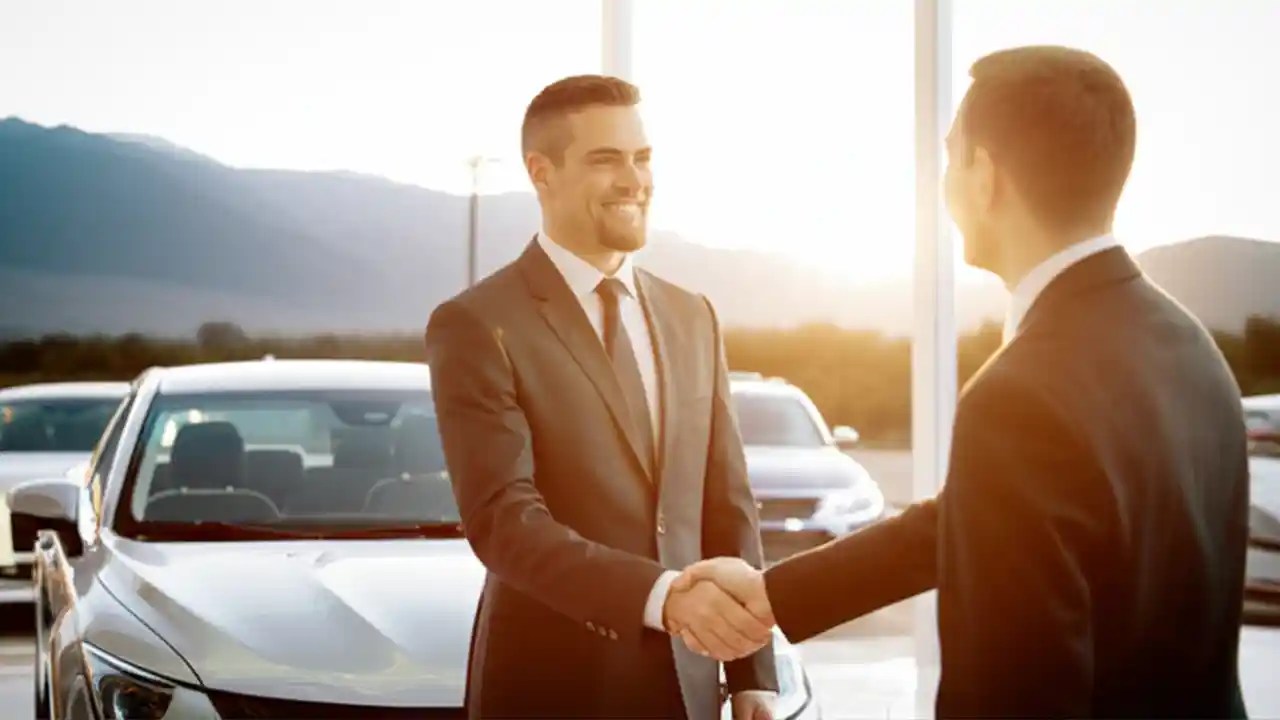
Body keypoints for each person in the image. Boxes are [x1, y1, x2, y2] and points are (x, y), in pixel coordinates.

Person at [675, 45, 1252, 719]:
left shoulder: (1020, 395)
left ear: (984, 176)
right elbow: (985, 514)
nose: (944, 182)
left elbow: (1014, 692)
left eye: (951, 157)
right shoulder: (1193, 350)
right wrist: (775, 594)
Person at [424, 74, 778, 720]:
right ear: (541, 172)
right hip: (551, 688)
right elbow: (503, 521)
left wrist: (753, 670)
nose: (634, 180)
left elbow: (725, 502)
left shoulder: (693, 314)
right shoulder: (475, 324)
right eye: (605, 159)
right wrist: (662, 596)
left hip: (692, 690)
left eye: (642, 158)